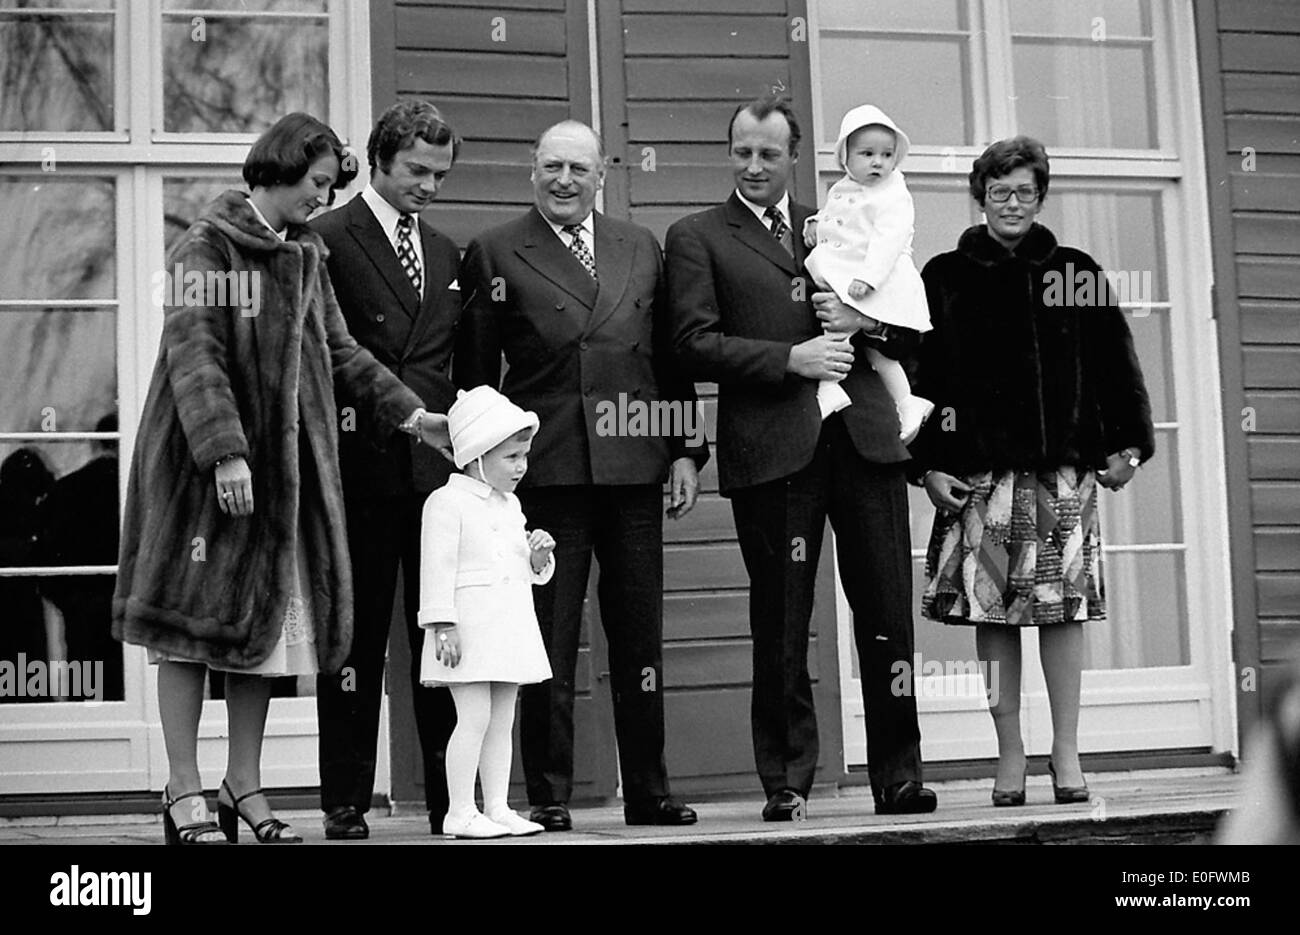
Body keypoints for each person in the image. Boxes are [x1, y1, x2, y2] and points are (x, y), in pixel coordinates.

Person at [112, 112, 450, 845]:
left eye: (330, 189)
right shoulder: (205, 246)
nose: (322, 201)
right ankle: (183, 790)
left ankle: (244, 784)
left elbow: (343, 352)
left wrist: (414, 417)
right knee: (189, 633)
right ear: (280, 168)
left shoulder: (304, 256)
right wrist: (226, 451)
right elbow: (194, 354)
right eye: (317, 184)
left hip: (280, 484)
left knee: (261, 636)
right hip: (203, 479)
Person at [665, 95, 935, 820]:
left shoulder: (851, 213)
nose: (754, 166)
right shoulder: (697, 237)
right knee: (780, 621)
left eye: (769, 153)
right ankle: (786, 780)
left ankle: (899, 776)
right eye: (742, 152)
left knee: (888, 616)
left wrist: (863, 319)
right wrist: (792, 356)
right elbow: (690, 343)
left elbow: (911, 329)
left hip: (867, 442)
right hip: (775, 450)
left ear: (795, 156)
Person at [455, 119, 708, 831]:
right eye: (552, 166)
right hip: (547, 473)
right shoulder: (496, 251)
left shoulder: (639, 246)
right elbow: (474, 380)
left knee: (639, 637)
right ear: (532, 172)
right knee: (547, 639)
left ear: (602, 175)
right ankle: (549, 792)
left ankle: (650, 790)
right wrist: (485, 474)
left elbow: (669, 359)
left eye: (579, 168)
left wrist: (687, 449)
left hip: (634, 467)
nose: (565, 180)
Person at [911, 136, 1155, 807]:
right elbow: (920, 383)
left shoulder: (1074, 270)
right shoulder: (944, 276)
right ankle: (1010, 751)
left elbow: (1116, 368)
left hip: (1061, 476)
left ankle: (1067, 750)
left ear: (1041, 195)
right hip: (980, 481)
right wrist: (926, 463)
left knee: (1061, 613)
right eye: (999, 191)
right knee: (993, 614)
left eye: (1024, 191)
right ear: (980, 196)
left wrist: (1129, 446)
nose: (1011, 202)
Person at [311, 100, 462, 840]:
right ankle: (345, 798)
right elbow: (321, 358)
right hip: (354, 467)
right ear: (378, 161)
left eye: (440, 174)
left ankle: (448, 799)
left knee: (436, 638)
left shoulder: (446, 251)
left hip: (432, 476)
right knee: (354, 640)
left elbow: (458, 369)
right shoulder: (326, 238)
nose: (429, 186)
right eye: (415, 171)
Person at [419, 386, 555, 839]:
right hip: (467, 632)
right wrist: (442, 625)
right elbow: (436, 569)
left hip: (507, 629)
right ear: (476, 456)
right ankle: (459, 810)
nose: (521, 467)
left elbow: (520, 567)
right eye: (511, 457)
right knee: (473, 717)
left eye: (524, 456)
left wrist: (538, 557)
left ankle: (496, 806)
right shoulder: (446, 503)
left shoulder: (511, 505)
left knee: (502, 719)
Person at [802, 104, 932, 438]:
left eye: (887, 154)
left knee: (848, 330)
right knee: (865, 344)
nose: (878, 162)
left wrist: (868, 278)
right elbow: (836, 216)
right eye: (867, 153)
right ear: (845, 157)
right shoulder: (843, 187)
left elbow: (890, 238)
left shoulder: (893, 192)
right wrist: (815, 223)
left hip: (881, 277)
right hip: (852, 268)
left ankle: (834, 388)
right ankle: (905, 400)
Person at [42, 415, 123, 701]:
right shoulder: (131, 492)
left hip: (81, 604)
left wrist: (68, 600)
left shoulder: (66, 489)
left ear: (94, 443)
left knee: (82, 683)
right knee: (122, 687)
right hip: (122, 600)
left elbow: (45, 555)